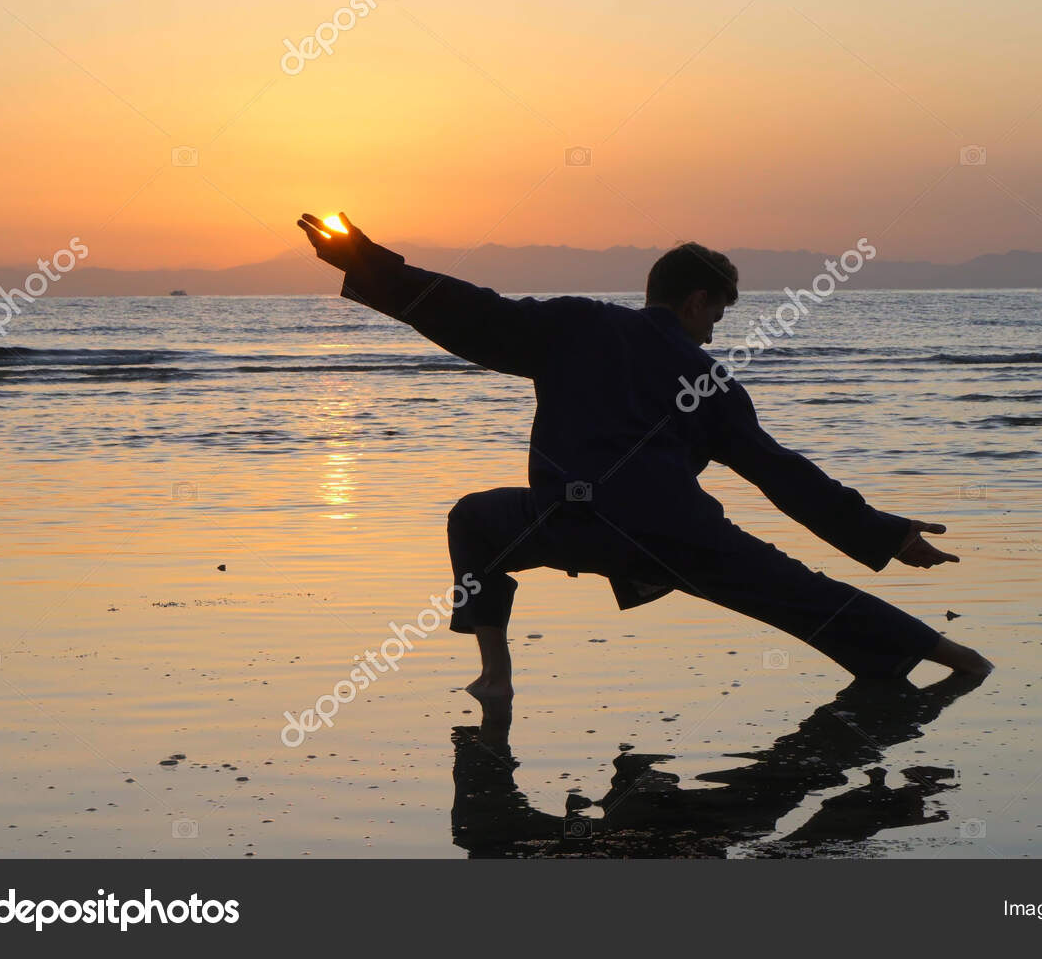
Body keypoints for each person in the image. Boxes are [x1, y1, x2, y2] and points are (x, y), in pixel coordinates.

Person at [296, 212, 993, 711]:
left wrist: (368, 264)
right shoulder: (710, 379)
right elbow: (780, 473)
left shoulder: (576, 325)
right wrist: (884, 533)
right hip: (678, 538)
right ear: (696, 302)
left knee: (474, 521)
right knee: (801, 595)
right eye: (715, 316)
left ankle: (496, 676)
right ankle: (958, 659)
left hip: (569, 523)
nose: (713, 331)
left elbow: (471, 313)